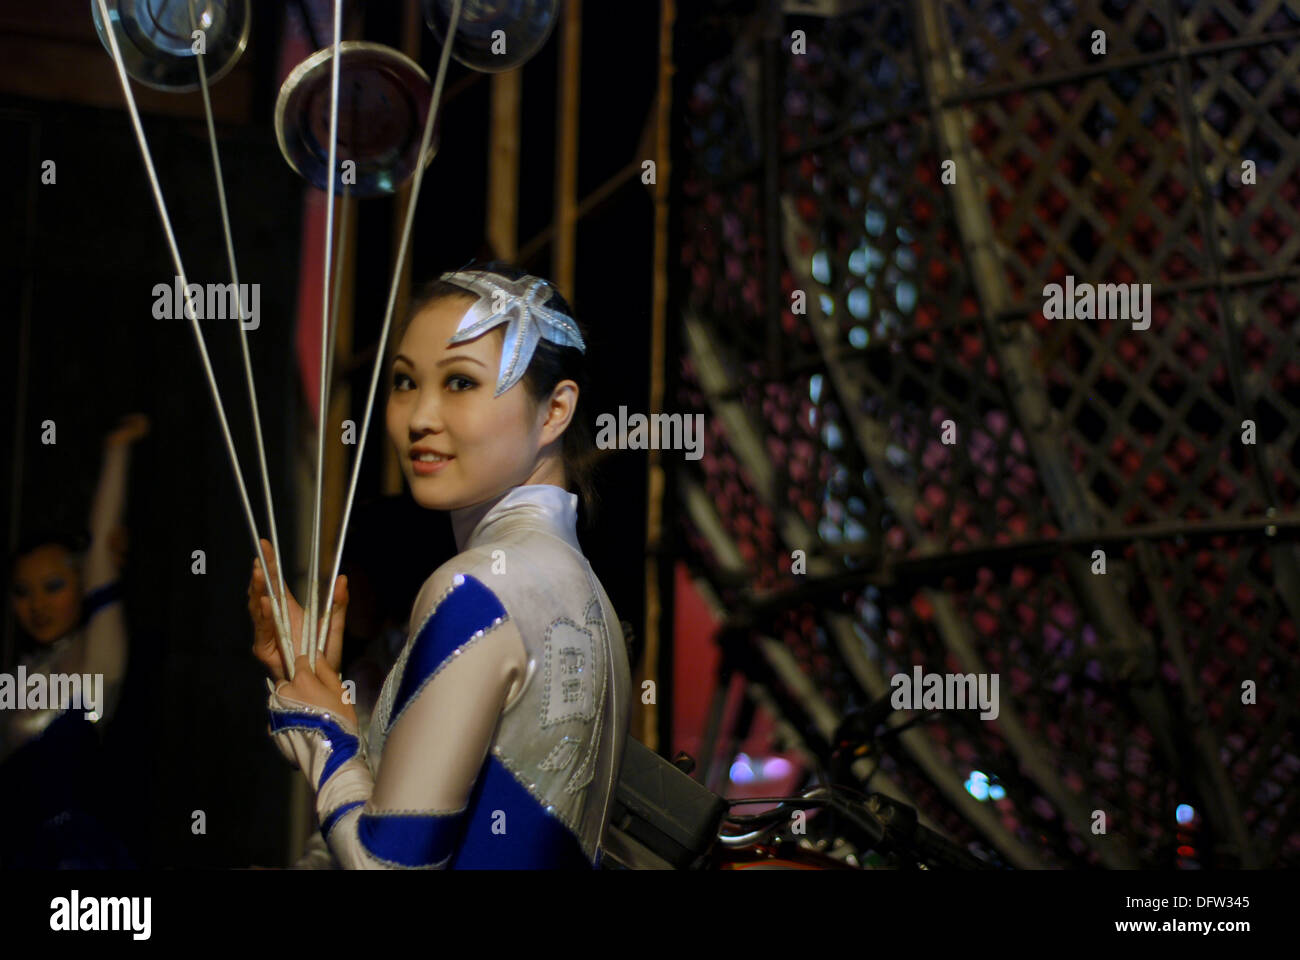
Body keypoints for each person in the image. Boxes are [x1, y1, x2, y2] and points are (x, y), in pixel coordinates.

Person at [249, 262, 630, 869]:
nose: (420, 418)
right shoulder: (587, 596)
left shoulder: (478, 584)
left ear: (555, 411)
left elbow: (387, 867)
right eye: (404, 382)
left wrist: (322, 734)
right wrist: (318, 689)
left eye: (460, 383)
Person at [1, 413, 148, 868]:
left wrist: (117, 453)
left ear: (80, 583)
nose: (37, 606)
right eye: (22, 592)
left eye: (53, 587)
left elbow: (101, 550)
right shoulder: (18, 675)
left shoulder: (96, 656)